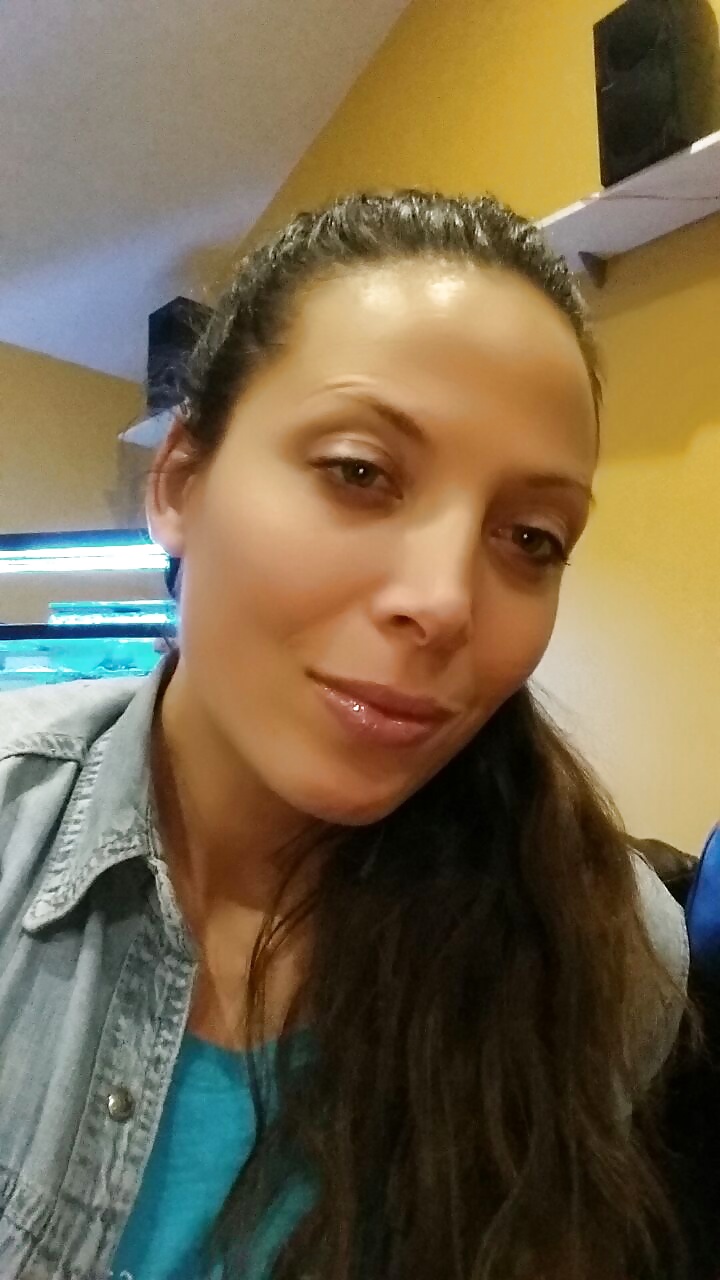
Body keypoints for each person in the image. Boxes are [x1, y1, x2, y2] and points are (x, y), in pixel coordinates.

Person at [0, 191, 688, 1280]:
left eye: (530, 537)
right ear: (179, 482)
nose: (445, 602)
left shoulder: (607, 947)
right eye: (359, 472)